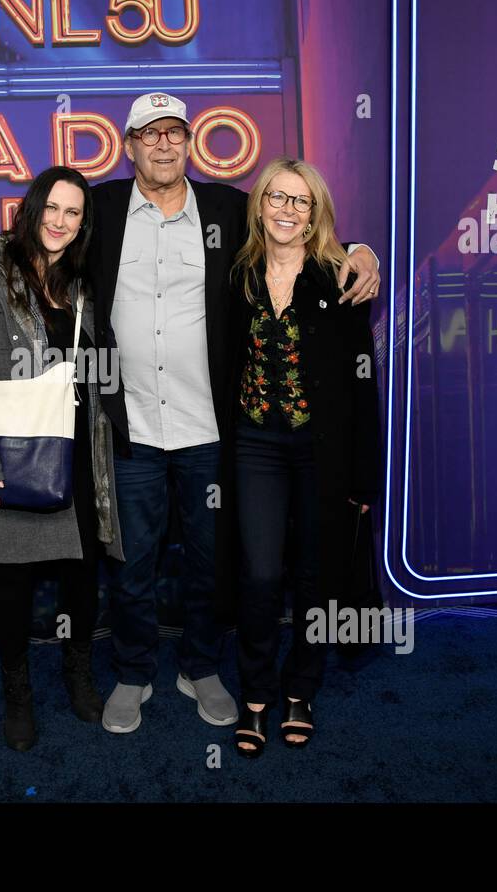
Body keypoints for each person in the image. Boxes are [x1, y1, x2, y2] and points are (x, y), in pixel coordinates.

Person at [86, 92, 380, 734]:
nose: (164, 145)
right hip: (130, 423)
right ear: (129, 144)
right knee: (131, 563)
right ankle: (133, 672)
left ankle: (201, 667)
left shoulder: (224, 208)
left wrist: (363, 251)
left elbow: (300, 228)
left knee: (209, 562)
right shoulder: (102, 210)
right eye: (150, 134)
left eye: (175, 134)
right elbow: (38, 237)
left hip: (211, 428)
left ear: (189, 144)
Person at [0, 166, 123, 751]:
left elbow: (100, 371)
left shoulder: (83, 284)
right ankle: (17, 695)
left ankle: (78, 674)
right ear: (32, 207)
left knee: (81, 577)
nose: (60, 221)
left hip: (75, 454)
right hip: (9, 455)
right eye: (52, 207)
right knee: (12, 584)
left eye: (73, 213)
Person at [227, 157, 380, 756]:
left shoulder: (341, 278)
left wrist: (364, 476)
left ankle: (302, 690)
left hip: (322, 450)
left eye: (301, 202)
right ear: (260, 203)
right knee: (261, 574)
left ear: (315, 214)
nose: (288, 210)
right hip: (254, 445)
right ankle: (256, 693)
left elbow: (362, 385)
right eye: (277, 198)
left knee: (316, 577)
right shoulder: (235, 274)